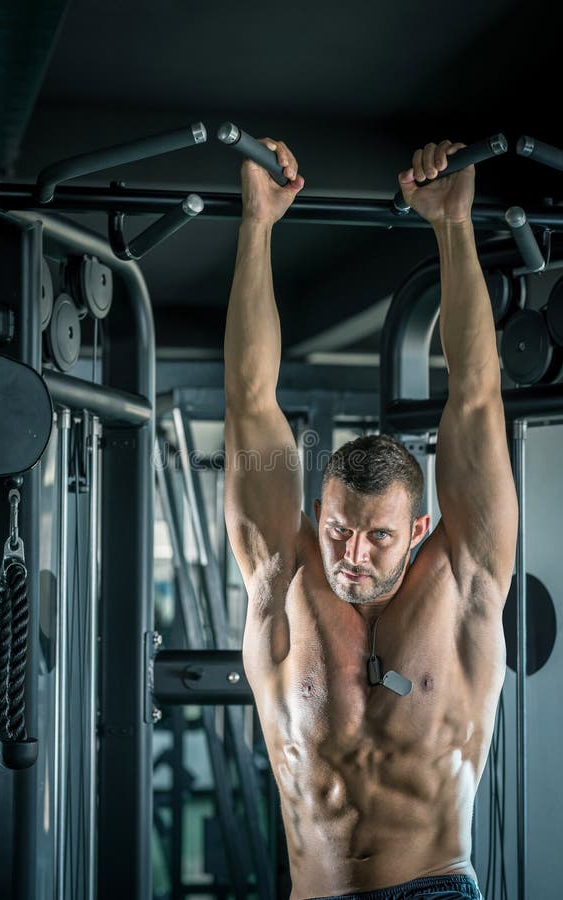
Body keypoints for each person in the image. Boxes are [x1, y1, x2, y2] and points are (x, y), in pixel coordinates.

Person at [223, 136, 518, 900]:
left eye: (379, 536)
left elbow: (477, 397)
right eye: (337, 530)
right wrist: (256, 224)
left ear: (417, 531)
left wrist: (453, 227)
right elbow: (251, 402)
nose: (351, 553)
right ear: (316, 513)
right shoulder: (278, 576)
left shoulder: (464, 582)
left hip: (432, 889)